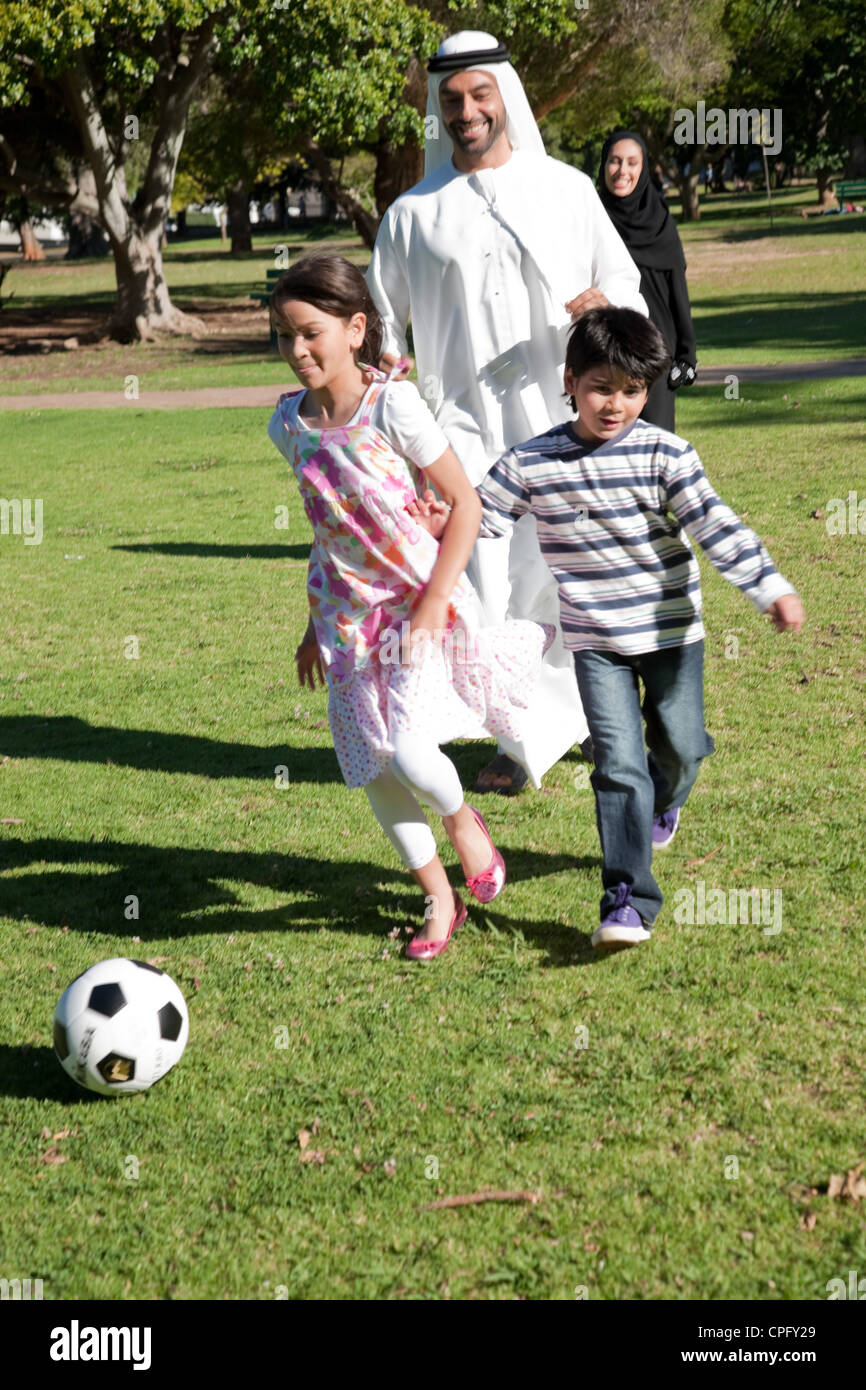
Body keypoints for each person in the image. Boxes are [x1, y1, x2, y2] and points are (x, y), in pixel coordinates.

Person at [367, 30, 648, 796]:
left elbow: (625, 287)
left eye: (480, 94)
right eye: (451, 100)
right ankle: (519, 740)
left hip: (556, 420)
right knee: (488, 584)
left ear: (505, 97)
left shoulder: (563, 188)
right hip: (460, 429)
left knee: (565, 575)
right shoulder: (412, 216)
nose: (467, 111)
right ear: (438, 107)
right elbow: (385, 338)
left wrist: (607, 305)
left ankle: (589, 721)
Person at [473, 307, 804, 951]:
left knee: (680, 745)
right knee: (618, 765)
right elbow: (478, 515)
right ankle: (627, 897)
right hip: (596, 643)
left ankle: (668, 793)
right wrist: (432, 519)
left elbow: (715, 524)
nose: (614, 404)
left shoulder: (666, 453)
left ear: (647, 392)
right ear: (570, 381)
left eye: (631, 391)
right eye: (600, 387)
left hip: (672, 633)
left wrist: (768, 586)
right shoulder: (535, 460)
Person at [266, 254, 551, 960]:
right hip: (344, 622)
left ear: (356, 328)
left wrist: (432, 606)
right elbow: (329, 531)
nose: (297, 350)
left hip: (415, 611)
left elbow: (465, 504)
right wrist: (311, 628)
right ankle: (437, 896)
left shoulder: (391, 406)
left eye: (310, 333)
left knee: (415, 753)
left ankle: (462, 821)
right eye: (283, 336)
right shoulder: (286, 425)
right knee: (376, 770)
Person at [597, 130, 697, 432]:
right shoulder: (592, 216)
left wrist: (687, 356)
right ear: (603, 165)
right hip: (603, 350)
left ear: (643, 169)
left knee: (656, 446)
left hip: (655, 354)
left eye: (632, 163)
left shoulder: (660, 224)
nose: (622, 171)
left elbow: (677, 292)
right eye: (614, 161)